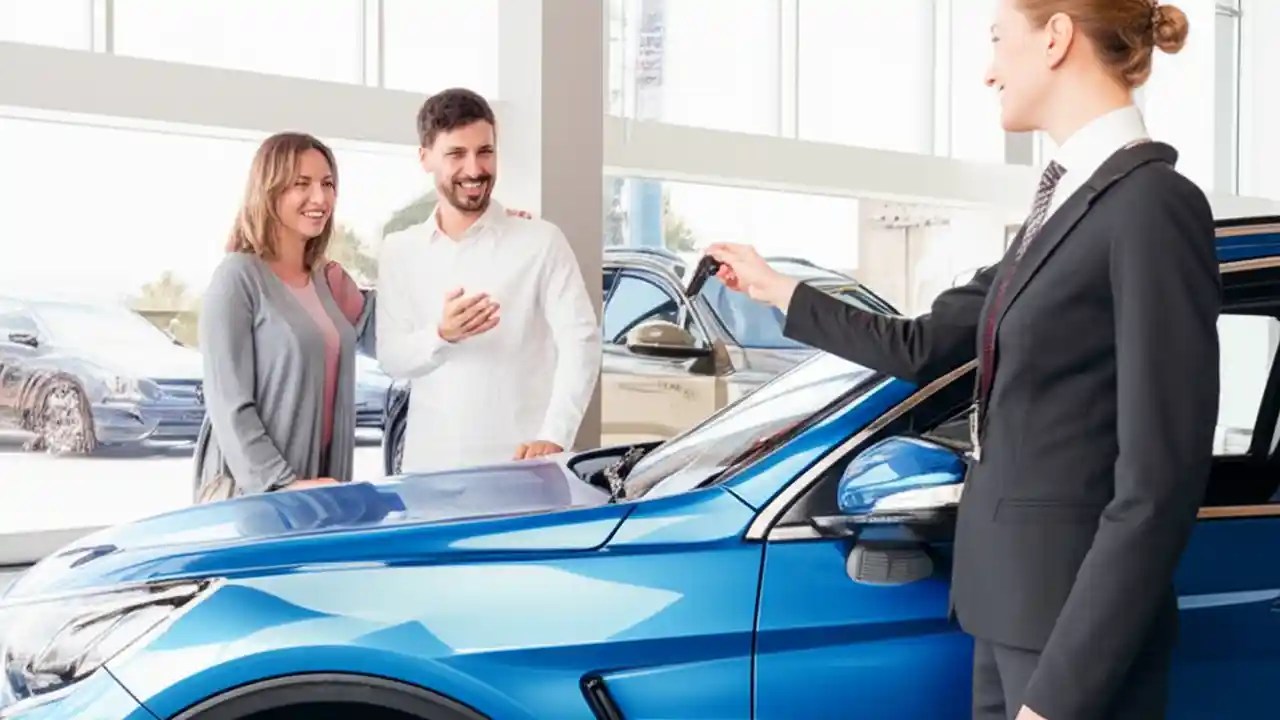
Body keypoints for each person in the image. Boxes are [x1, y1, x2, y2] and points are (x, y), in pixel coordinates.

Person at [707, 2, 1217, 719]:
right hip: (1005, 617)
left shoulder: (1152, 207)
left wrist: (1061, 697)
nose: (987, 71)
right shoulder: (1066, 206)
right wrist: (776, 288)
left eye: (997, 41)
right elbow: (922, 345)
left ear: (1057, 37)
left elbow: (1158, 486)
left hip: (1072, 650)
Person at [376, 88, 600, 473]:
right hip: (430, 471)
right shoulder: (400, 250)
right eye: (456, 154)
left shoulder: (541, 241)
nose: (475, 169)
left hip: (526, 467)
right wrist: (441, 334)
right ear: (425, 158)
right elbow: (392, 358)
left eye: (485, 151)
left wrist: (556, 435)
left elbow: (581, 341)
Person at [194, 131, 369, 501]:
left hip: (316, 491)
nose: (319, 198)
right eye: (301, 184)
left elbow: (391, 329)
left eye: (328, 184)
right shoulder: (237, 279)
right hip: (253, 494)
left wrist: (500, 223)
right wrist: (282, 483)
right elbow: (229, 405)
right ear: (269, 190)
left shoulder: (330, 280)